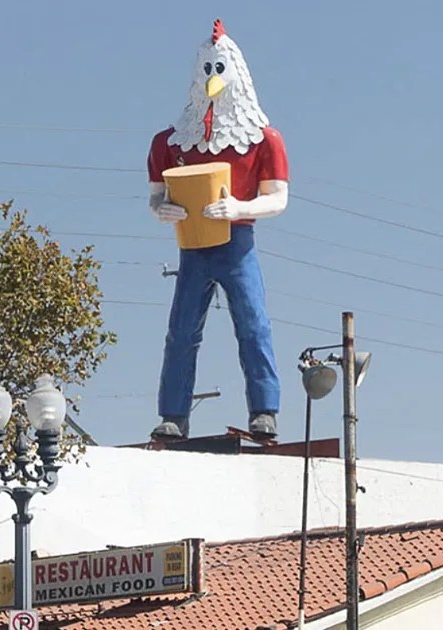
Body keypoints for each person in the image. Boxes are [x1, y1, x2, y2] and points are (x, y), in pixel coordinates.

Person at [146, 19, 289, 442]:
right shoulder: (170, 143)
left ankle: (265, 408)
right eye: (207, 69)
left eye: (219, 69)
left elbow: (278, 198)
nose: (212, 79)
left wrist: (241, 206)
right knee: (182, 329)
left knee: (253, 322)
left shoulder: (264, 140)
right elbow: (156, 196)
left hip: (237, 240)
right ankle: (174, 414)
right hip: (193, 244)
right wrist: (163, 209)